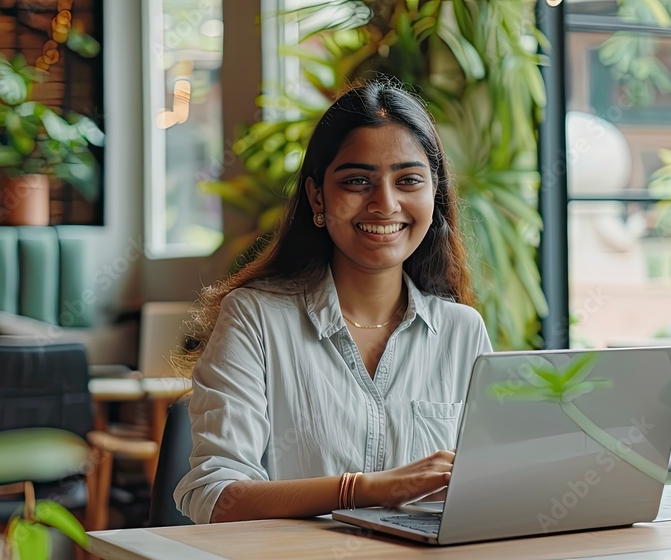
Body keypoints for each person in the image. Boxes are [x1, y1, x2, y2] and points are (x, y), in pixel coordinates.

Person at [173, 78, 493, 524]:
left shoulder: (463, 330)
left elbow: (493, 488)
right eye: (358, 181)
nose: (384, 204)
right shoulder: (256, 318)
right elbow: (216, 496)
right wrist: (362, 489)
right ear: (317, 197)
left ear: (433, 196)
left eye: (409, 180)